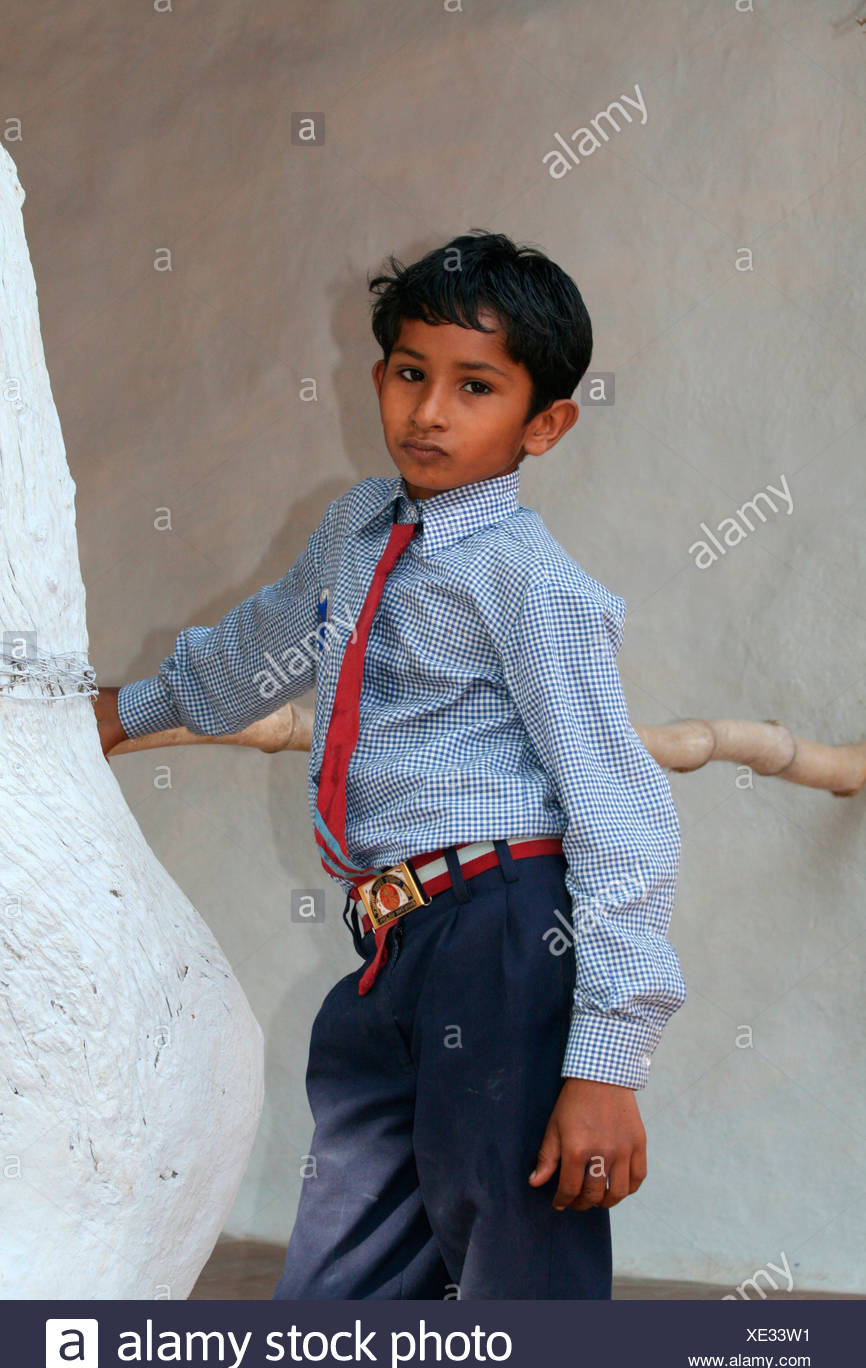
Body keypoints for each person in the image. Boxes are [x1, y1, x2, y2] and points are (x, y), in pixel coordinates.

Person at [94, 229, 686, 1300]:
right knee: (343, 1275)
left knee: (518, 1259)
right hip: (391, 944)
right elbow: (256, 650)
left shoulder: (526, 580)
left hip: (505, 934)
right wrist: (119, 714)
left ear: (542, 423)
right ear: (377, 376)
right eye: (411, 374)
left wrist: (605, 1058)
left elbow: (620, 810)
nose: (428, 411)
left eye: (475, 387)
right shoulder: (355, 528)